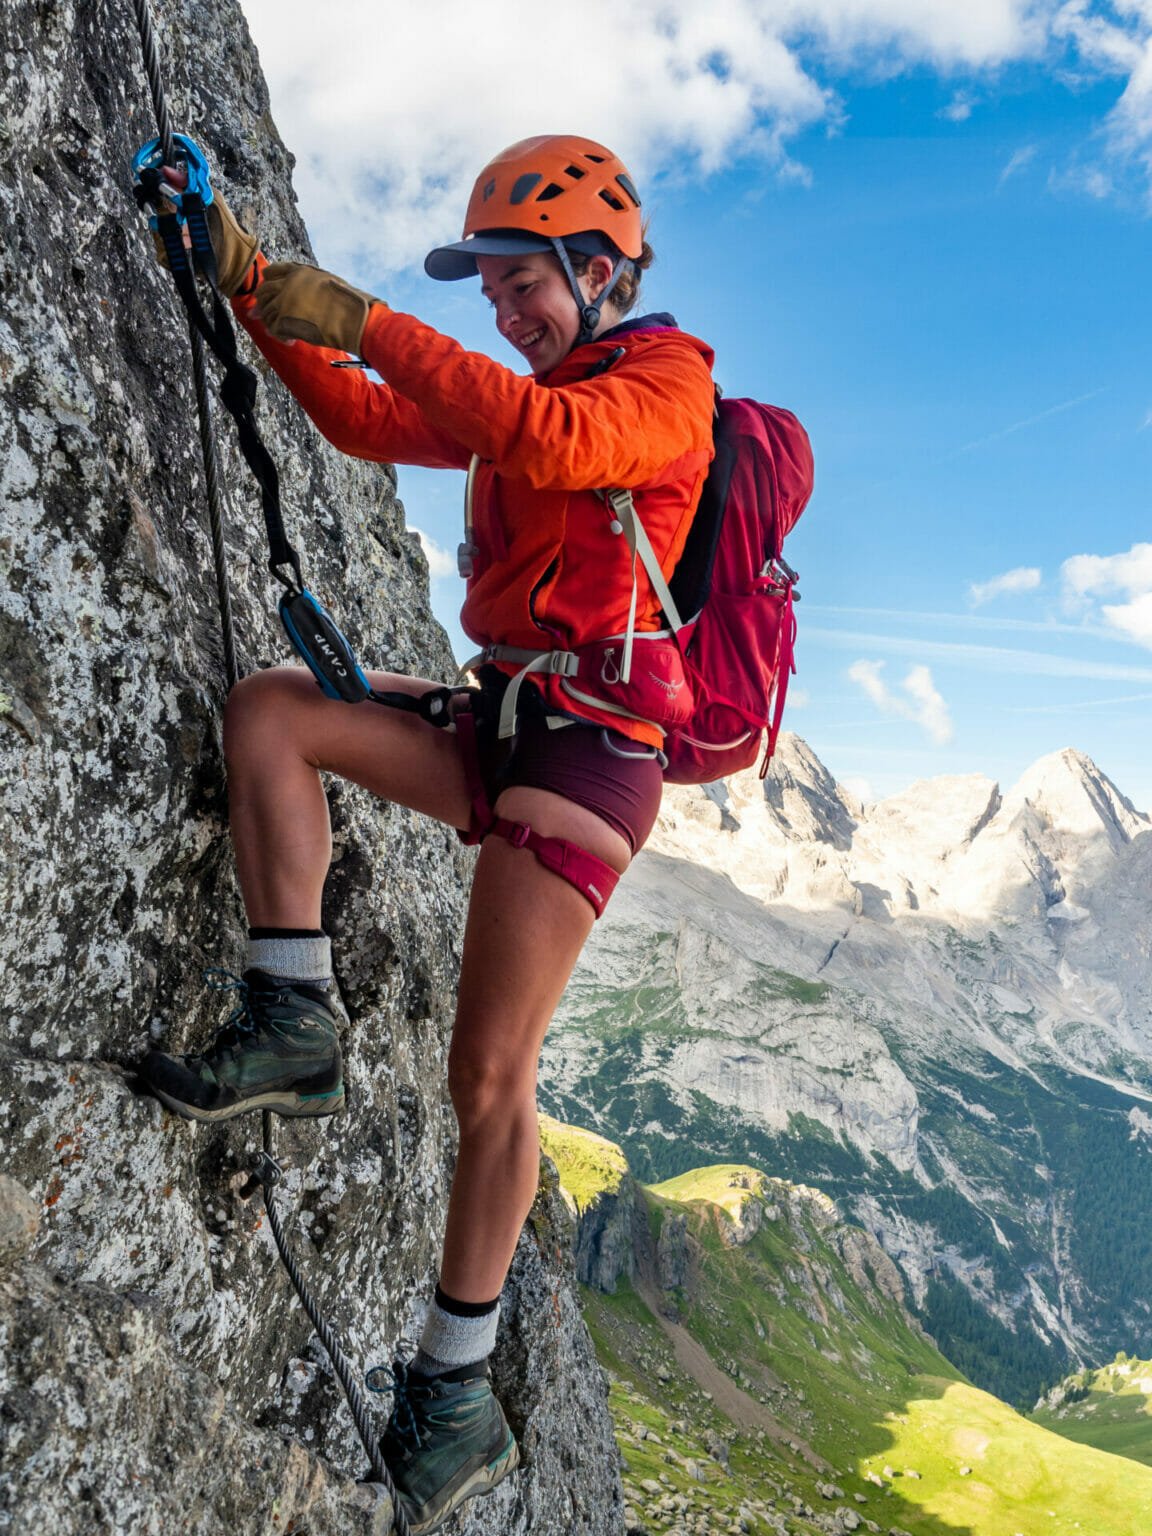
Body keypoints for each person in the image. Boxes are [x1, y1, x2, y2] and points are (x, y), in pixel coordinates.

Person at [140, 134, 716, 1534]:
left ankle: (456, 1395)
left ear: (604, 269)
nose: (506, 316)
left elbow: (557, 444)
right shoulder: (520, 395)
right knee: (270, 715)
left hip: (590, 751)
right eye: (495, 294)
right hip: (507, 716)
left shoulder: (663, 388)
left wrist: (353, 308)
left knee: (488, 1073)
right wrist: (250, 292)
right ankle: (292, 1015)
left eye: (525, 288)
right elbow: (354, 418)